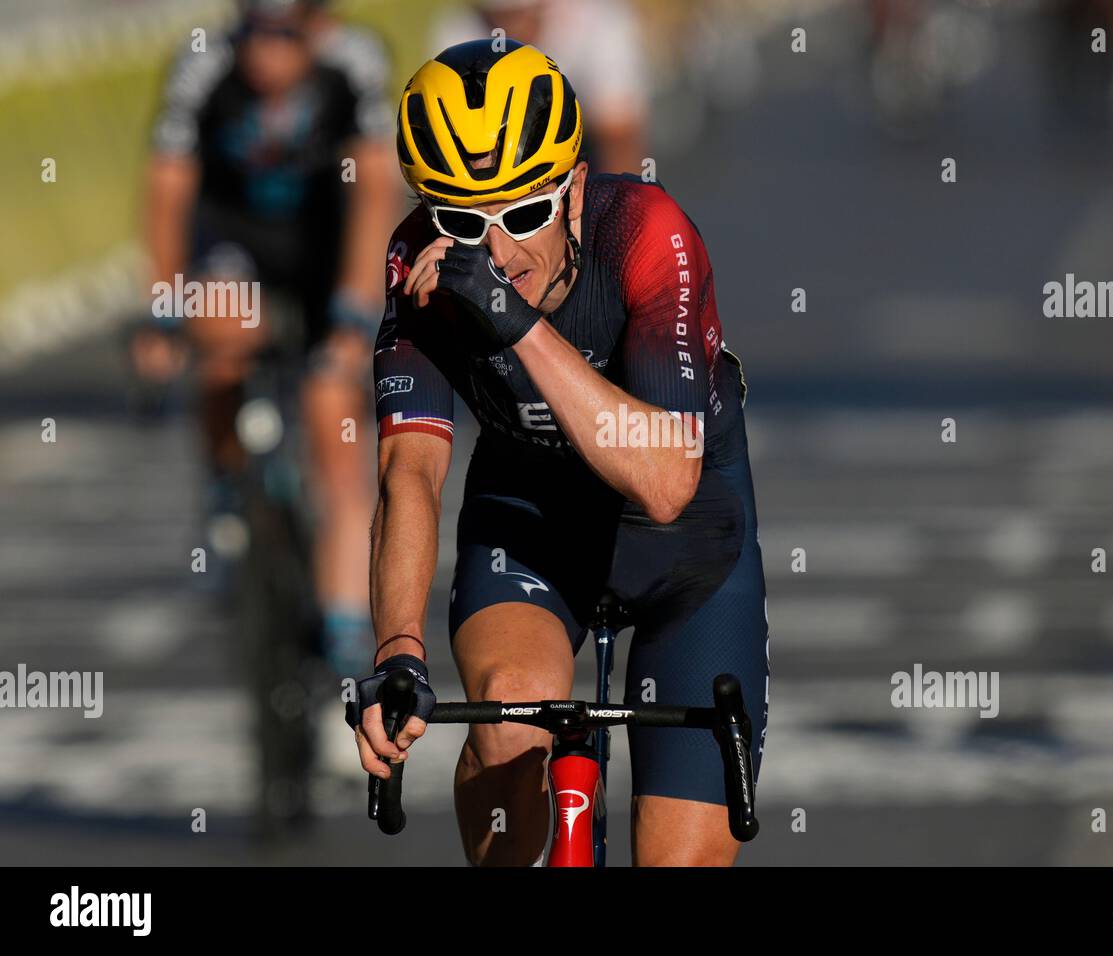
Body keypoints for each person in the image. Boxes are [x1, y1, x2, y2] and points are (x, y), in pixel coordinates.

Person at [355, 40, 769, 866]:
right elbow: (411, 473)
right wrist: (397, 647)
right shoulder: (418, 265)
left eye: (522, 214)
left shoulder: (648, 234)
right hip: (533, 523)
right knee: (509, 716)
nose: (497, 253)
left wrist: (514, 323)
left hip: (686, 549)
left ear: (575, 190)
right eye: (464, 223)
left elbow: (663, 482)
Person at [133, 0, 397, 676]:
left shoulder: (354, 63)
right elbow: (168, 188)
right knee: (224, 331)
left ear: (317, 28)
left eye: (285, 37)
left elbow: (373, 189)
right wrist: (163, 310)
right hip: (235, 240)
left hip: (320, 251)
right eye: (255, 33)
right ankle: (228, 482)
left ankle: (343, 625)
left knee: (335, 418)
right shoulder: (202, 64)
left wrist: (354, 310)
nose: (265, 55)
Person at [426, 0, 648, 175]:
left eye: (518, 15)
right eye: (500, 18)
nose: (511, 28)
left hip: (584, 142)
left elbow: (618, 133)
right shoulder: (457, 31)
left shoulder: (600, 22)